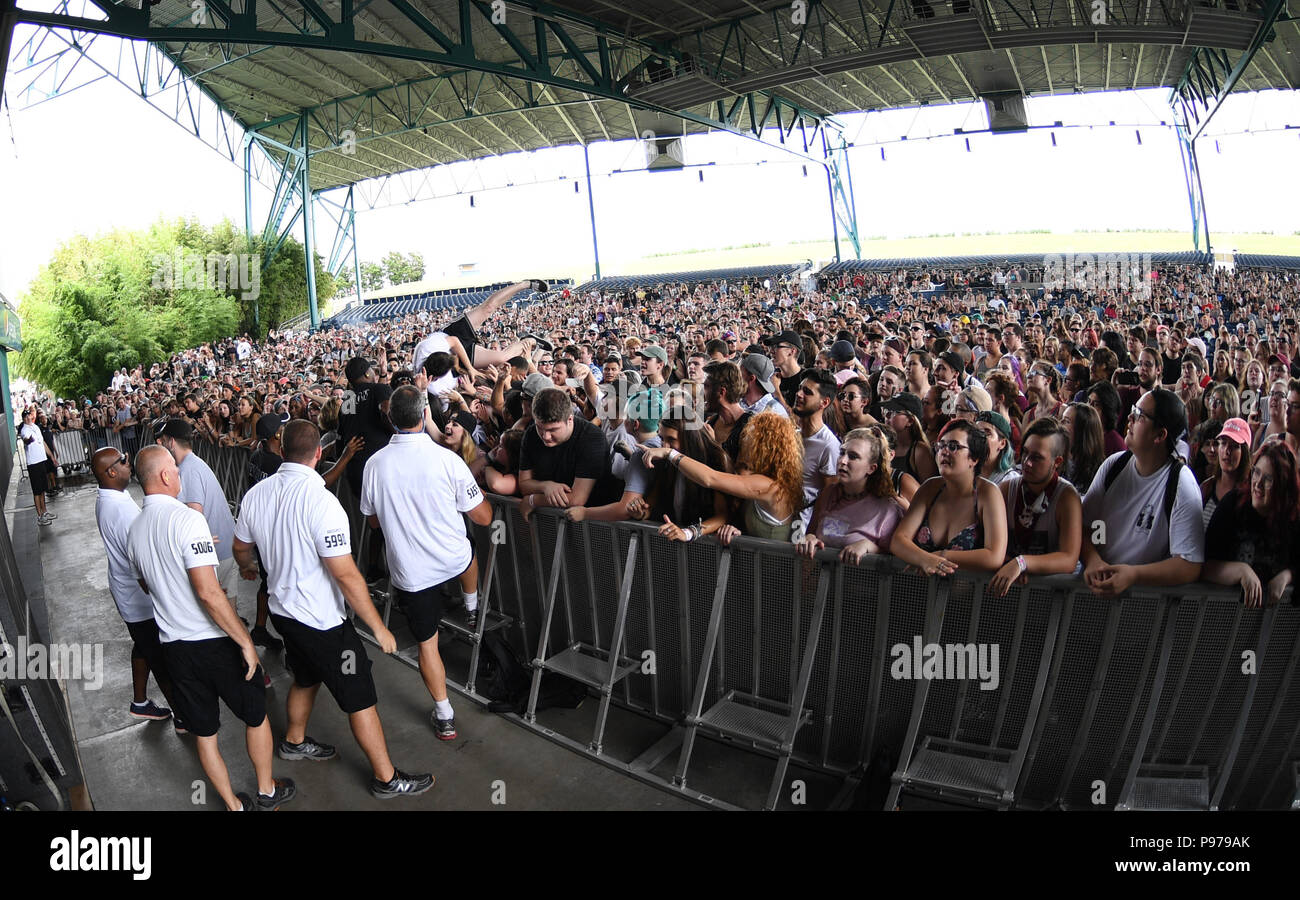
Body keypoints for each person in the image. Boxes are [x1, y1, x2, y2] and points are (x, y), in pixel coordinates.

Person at [233, 419, 434, 799]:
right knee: (360, 698)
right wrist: (378, 627)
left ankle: (293, 741)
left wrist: (247, 567)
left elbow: (241, 546)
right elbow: (346, 576)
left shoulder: (256, 495)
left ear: (281, 447)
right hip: (322, 622)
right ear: (319, 454)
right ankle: (388, 779)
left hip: (284, 613)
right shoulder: (323, 502)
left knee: (306, 676)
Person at [126, 445, 294, 812]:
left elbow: (146, 582)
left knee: (205, 733)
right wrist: (246, 641)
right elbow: (209, 593)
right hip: (213, 643)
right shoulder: (188, 520)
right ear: (167, 476)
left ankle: (234, 805)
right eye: (175, 468)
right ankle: (266, 791)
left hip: (175, 648)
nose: (180, 473)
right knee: (255, 715)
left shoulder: (135, 530)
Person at [361, 386, 495, 739]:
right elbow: (482, 518)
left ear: (390, 419)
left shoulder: (373, 464)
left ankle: (444, 713)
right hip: (452, 558)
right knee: (468, 551)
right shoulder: (447, 460)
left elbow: (373, 522)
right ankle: (471, 604)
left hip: (412, 572)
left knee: (427, 644)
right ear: (425, 416)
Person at [1079, 389, 1204, 596]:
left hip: (1142, 603)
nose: (1129, 418)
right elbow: (1086, 526)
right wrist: (1093, 561)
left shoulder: (1182, 485)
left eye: (1140, 415)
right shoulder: (1114, 465)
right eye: (1133, 410)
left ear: (1160, 435)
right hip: (1094, 590)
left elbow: (1189, 565)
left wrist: (1134, 575)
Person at [92, 446, 182, 730]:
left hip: (129, 594)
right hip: (138, 597)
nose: (128, 463)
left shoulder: (111, 498)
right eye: (124, 461)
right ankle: (183, 717)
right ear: (111, 472)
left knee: (143, 646)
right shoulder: (118, 509)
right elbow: (142, 558)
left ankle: (140, 702)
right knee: (161, 659)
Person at [640, 410, 803, 543]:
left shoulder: (770, 486)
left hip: (774, 571)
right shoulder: (759, 478)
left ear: (766, 448)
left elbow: (710, 479)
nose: (744, 440)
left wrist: (670, 453)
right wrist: (737, 530)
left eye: (751, 438)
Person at [889, 419, 1008, 575]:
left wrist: (939, 557)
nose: (943, 452)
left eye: (953, 446)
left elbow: (994, 556)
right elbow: (898, 540)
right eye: (940, 446)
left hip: (965, 598)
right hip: (916, 595)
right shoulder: (929, 488)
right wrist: (924, 559)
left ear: (974, 458)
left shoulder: (988, 493)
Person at [990, 417, 1082, 596]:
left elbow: (1069, 559)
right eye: (1025, 453)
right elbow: (986, 541)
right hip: (1006, 591)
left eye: (1037, 458)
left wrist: (1021, 563)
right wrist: (1009, 562)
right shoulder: (1006, 489)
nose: (1027, 462)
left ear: (1057, 462)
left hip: (1049, 597)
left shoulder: (1067, 498)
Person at [1203, 441, 1300, 608]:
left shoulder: (1293, 517)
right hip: (1221, 617)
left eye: (1268, 479)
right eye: (1256, 472)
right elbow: (1204, 567)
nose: (1258, 484)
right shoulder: (1232, 504)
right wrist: (1241, 571)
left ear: (1283, 487)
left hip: (1269, 626)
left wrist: (1288, 575)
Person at [796, 428, 906, 564]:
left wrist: (868, 546)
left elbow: (896, 559)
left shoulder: (888, 509)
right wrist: (810, 538)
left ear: (871, 468)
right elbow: (812, 531)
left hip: (862, 583)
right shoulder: (829, 493)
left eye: (853, 456)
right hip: (824, 582)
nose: (843, 460)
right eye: (842, 453)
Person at [518, 387, 621, 521]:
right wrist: (545, 486)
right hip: (550, 521)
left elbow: (576, 499)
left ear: (570, 419)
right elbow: (524, 484)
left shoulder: (592, 438)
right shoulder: (531, 434)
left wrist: (533, 500)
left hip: (594, 523)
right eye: (540, 427)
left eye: (553, 430)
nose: (545, 436)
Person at [639, 405, 730, 543]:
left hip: (708, 545)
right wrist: (639, 512)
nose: (665, 446)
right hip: (673, 543)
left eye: (671, 440)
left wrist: (688, 533)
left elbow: (722, 515)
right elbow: (649, 506)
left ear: (689, 437)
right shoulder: (665, 461)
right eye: (662, 438)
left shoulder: (715, 459)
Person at [793, 369, 842, 532]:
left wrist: (812, 534)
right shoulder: (792, 435)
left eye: (807, 392)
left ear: (824, 402)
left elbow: (830, 498)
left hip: (802, 528)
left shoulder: (829, 445)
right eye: (800, 388)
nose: (799, 394)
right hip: (781, 520)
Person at [19, 406, 57, 526]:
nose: (28, 418)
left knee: (43, 489)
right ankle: (40, 515)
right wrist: (28, 440)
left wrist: (51, 456)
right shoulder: (25, 429)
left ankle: (44, 511)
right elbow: (25, 439)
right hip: (33, 463)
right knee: (37, 490)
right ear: (23, 419)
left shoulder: (35, 427)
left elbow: (43, 443)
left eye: (28, 416)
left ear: (31, 416)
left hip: (42, 461)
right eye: (25, 417)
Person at [974, 410, 1015, 485]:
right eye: (976, 432)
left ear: (1002, 443)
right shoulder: (966, 472)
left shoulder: (1010, 481)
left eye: (987, 433)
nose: (979, 437)